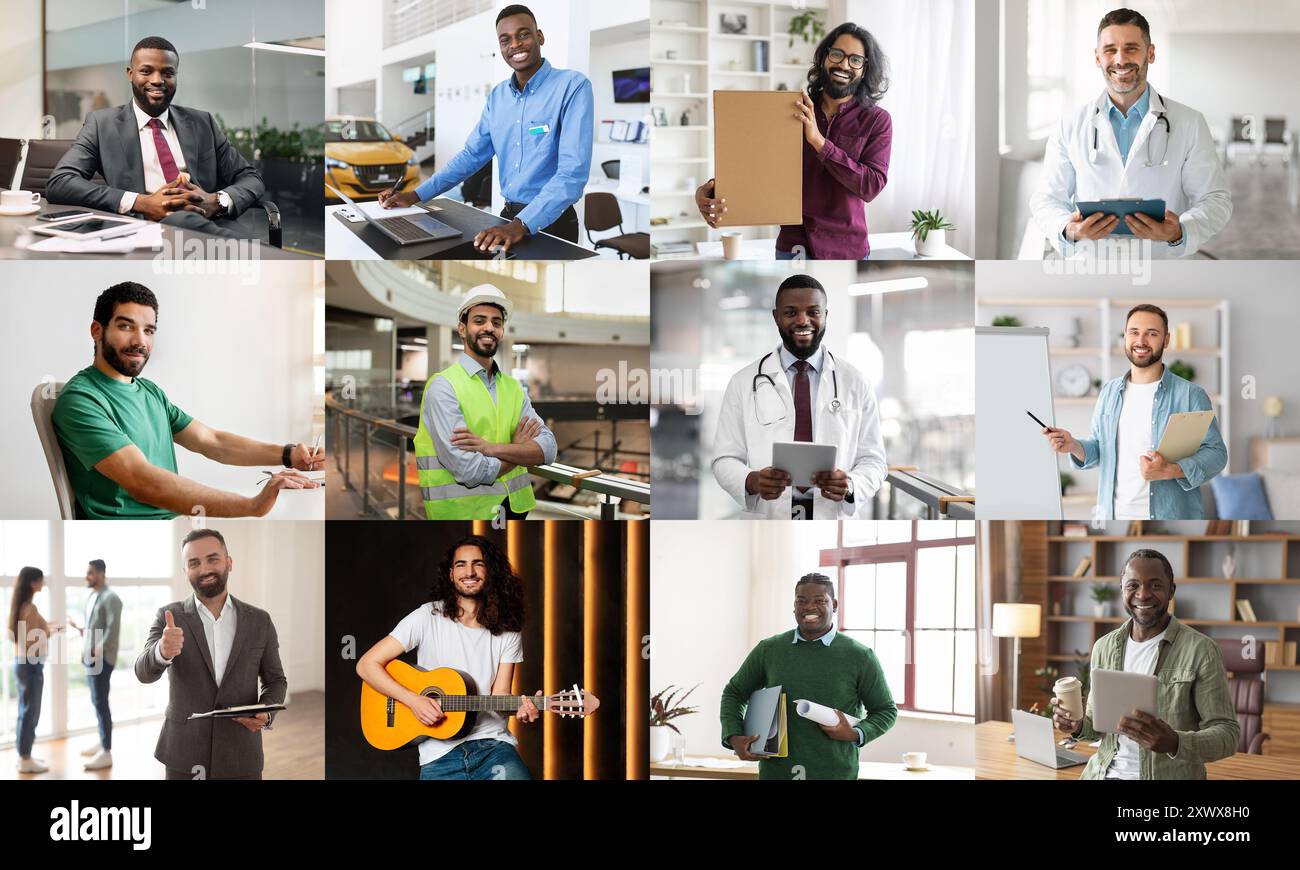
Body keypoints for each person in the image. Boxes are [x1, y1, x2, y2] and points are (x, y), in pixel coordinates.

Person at [51, 281, 323, 519]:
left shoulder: (149, 391)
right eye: (125, 326)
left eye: (149, 330)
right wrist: (252, 505)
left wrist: (289, 455)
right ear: (97, 330)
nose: (140, 341)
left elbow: (212, 442)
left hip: (175, 522)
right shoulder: (81, 400)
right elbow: (143, 481)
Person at [380, 5, 593, 254]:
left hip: (552, 223)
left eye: (523, 34)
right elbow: (471, 156)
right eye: (505, 40)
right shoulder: (498, 97)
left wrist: (521, 225)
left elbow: (572, 174)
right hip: (508, 217)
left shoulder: (573, 86)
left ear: (540, 37)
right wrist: (415, 195)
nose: (515, 44)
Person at [1029, 8, 1231, 258]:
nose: (1120, 59)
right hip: (1091, 265)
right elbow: (1046, 200)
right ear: (1097, 58)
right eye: (1110, 49)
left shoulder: (1189, 122)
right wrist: (1069, 229)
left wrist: (1179, 231)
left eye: (1131, 48)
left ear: (1151, 53)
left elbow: (1215, 200)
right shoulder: (1069, 125)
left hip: (1160, 265)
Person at [694, 22, 892, 260]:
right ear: (824, 58)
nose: (843, 64)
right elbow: (754, 162)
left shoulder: (877, 120)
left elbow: (871, 186)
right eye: (837, 54)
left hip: (847, 249)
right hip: (794, 246)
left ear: (865, 68)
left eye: (855, 60)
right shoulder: (790, 109)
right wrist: (712, 190)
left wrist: (819, 142)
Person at [355, 536, 542, 780]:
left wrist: (522, 707)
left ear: (491, 571)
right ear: (451, 574)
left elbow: (500, 697)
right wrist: (413, 700)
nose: (470, 571)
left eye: (478, 563)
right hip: (439, 756)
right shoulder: (427, 616)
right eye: (461, 564)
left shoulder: (508, 629)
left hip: (493, 748)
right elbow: (366, 665)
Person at [47, 36, 266, 241]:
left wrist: (216, 201)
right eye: (146, 71)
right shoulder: (102, 124)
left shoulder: (202, 122)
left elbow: (250, 177)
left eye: (167, 73)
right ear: (130, 73)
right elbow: (61, 182)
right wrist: (141, 202)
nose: (157, 80)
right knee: (250, 250)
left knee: (215, 236)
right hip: (147, 228)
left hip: (211, 221)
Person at [712, 274, 886, 519]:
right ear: (776, 317)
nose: (803, 320)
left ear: (826, 315)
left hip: (831, 519)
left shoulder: (856, 382)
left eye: (813, 312)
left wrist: (851, 485)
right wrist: (751, 481)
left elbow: (875, 461)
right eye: (791, 312)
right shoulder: (742, 382)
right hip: (769, 517)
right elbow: (724, 458)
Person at [1052, 549, 1238, 779]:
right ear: (1122, 589)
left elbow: (1228, 735)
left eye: (1155, 585)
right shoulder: (1104, 647)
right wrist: (1077, 726)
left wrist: (1175, 742)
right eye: (1133, 585)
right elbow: (1097, 727)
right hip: (1102, 774)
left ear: (1171, 591)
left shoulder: (1202, 650)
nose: (1143, 594)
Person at [1040, 303, 1225, 520]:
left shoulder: (1191, 395)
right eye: (1134, 332)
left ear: (1166, 339)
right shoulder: (1109, 392)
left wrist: (1172, 470)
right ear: (1125, 336)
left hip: (1170, 515)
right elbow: (1101, 449)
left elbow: (1217, 454)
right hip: (1113, 515)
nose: (1141, 341)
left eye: (1152, 334)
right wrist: (1073, 445)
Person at [134, 529, 287, 780]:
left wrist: (265, 712)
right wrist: (161, 652)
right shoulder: (168, 616)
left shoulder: (259, 620)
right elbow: (142, 672)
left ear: (228, 562)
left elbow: (276, 680)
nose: (204, 569)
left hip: (241, 753)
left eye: (212, 559)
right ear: (185, 572)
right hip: (183, 752)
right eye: (194, 563)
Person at [720, 574, 897, 780]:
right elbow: (734, 693)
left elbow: (885, 710)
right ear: (794, 606)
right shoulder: (769, 649)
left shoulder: (859, 656)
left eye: (820, 600)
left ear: (835, 605)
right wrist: (734, 736)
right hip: (776, 773)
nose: (809, 607)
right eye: (801, 601)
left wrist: (856, 733)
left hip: (834, 773)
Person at [412, 285, 555, 520]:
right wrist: (518, 449)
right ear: (462, 328)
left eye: (496, 323)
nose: (489, 327)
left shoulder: (513, 387)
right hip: (463, 515)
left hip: (516, 508)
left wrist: (490, 448)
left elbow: (548, 448)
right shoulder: (443, 386)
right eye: (479, 321)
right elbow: (469, 470)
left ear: (501, 332)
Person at [9, 567, 65, 774]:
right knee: (31, 712)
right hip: (31, 665)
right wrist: (55, 630)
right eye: (41, 580)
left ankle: (25, 755)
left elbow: (34, 630)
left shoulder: (22, 606)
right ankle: (25, 757)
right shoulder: (29, 608)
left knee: (25, 711)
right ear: (33, 582)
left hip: (24, 663)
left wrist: (53, 626)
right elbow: (33, 637)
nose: (44, 583)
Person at [72, 559, 121, 772]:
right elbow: (95, 628)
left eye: (90, 573)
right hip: (91, 658)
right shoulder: (93, 596)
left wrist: (94, 652)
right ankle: (102, 742)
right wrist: (80, 629)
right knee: (96, 701)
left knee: (101, 702)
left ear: (101, 573)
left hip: (101, 659)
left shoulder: (111, 598)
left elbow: (112, 631)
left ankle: (106, 752)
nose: (87, 576)